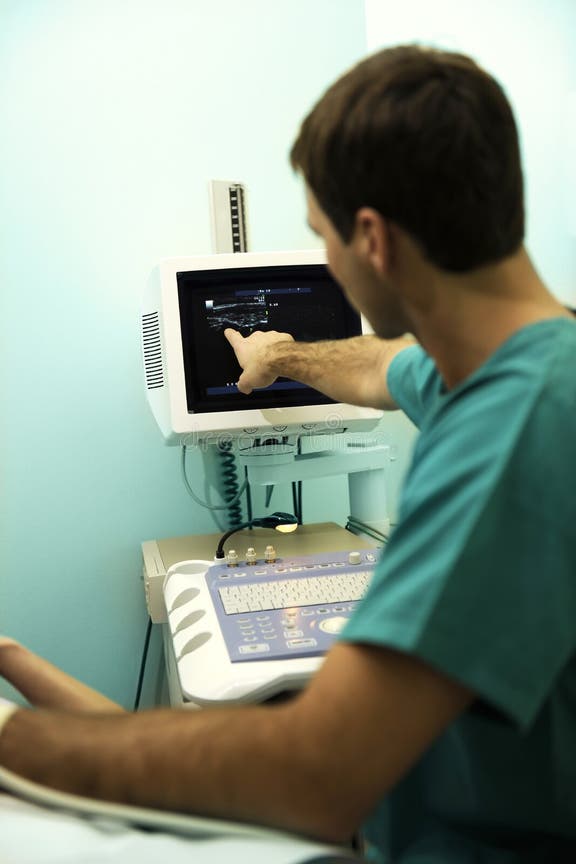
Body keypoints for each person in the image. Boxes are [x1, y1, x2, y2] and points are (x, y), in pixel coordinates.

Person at [2, 44, 576, 863]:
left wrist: (12, 739)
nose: (327, 260)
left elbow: (316, 775)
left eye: (322, 236)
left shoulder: (518, 425)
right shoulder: (507, 360)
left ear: (371, 238)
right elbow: (381, 364)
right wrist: (282, 354)